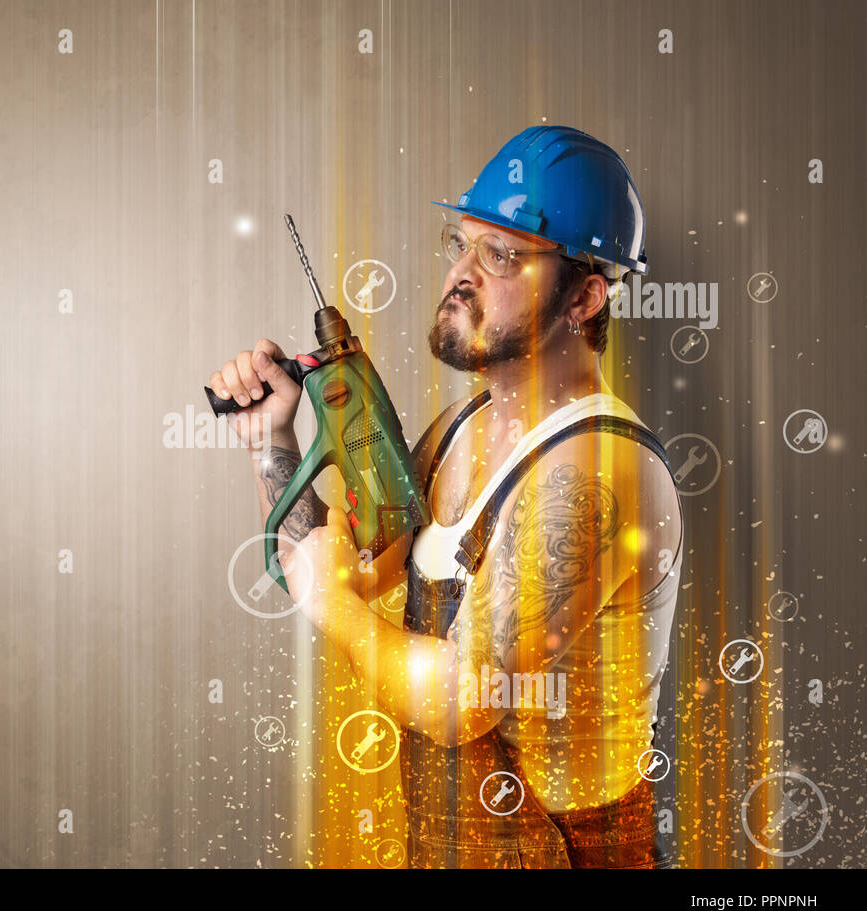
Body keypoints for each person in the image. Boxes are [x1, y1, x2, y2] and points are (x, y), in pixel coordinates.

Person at [209, 126, 683, 868]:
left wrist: (325, 602)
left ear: (585, 296)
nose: (461, 273)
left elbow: (460, 698)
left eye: (500, 255)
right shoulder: (466, 426)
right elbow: (364, 568)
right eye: (460, 243)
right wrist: (274, 441)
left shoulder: (597, 467)